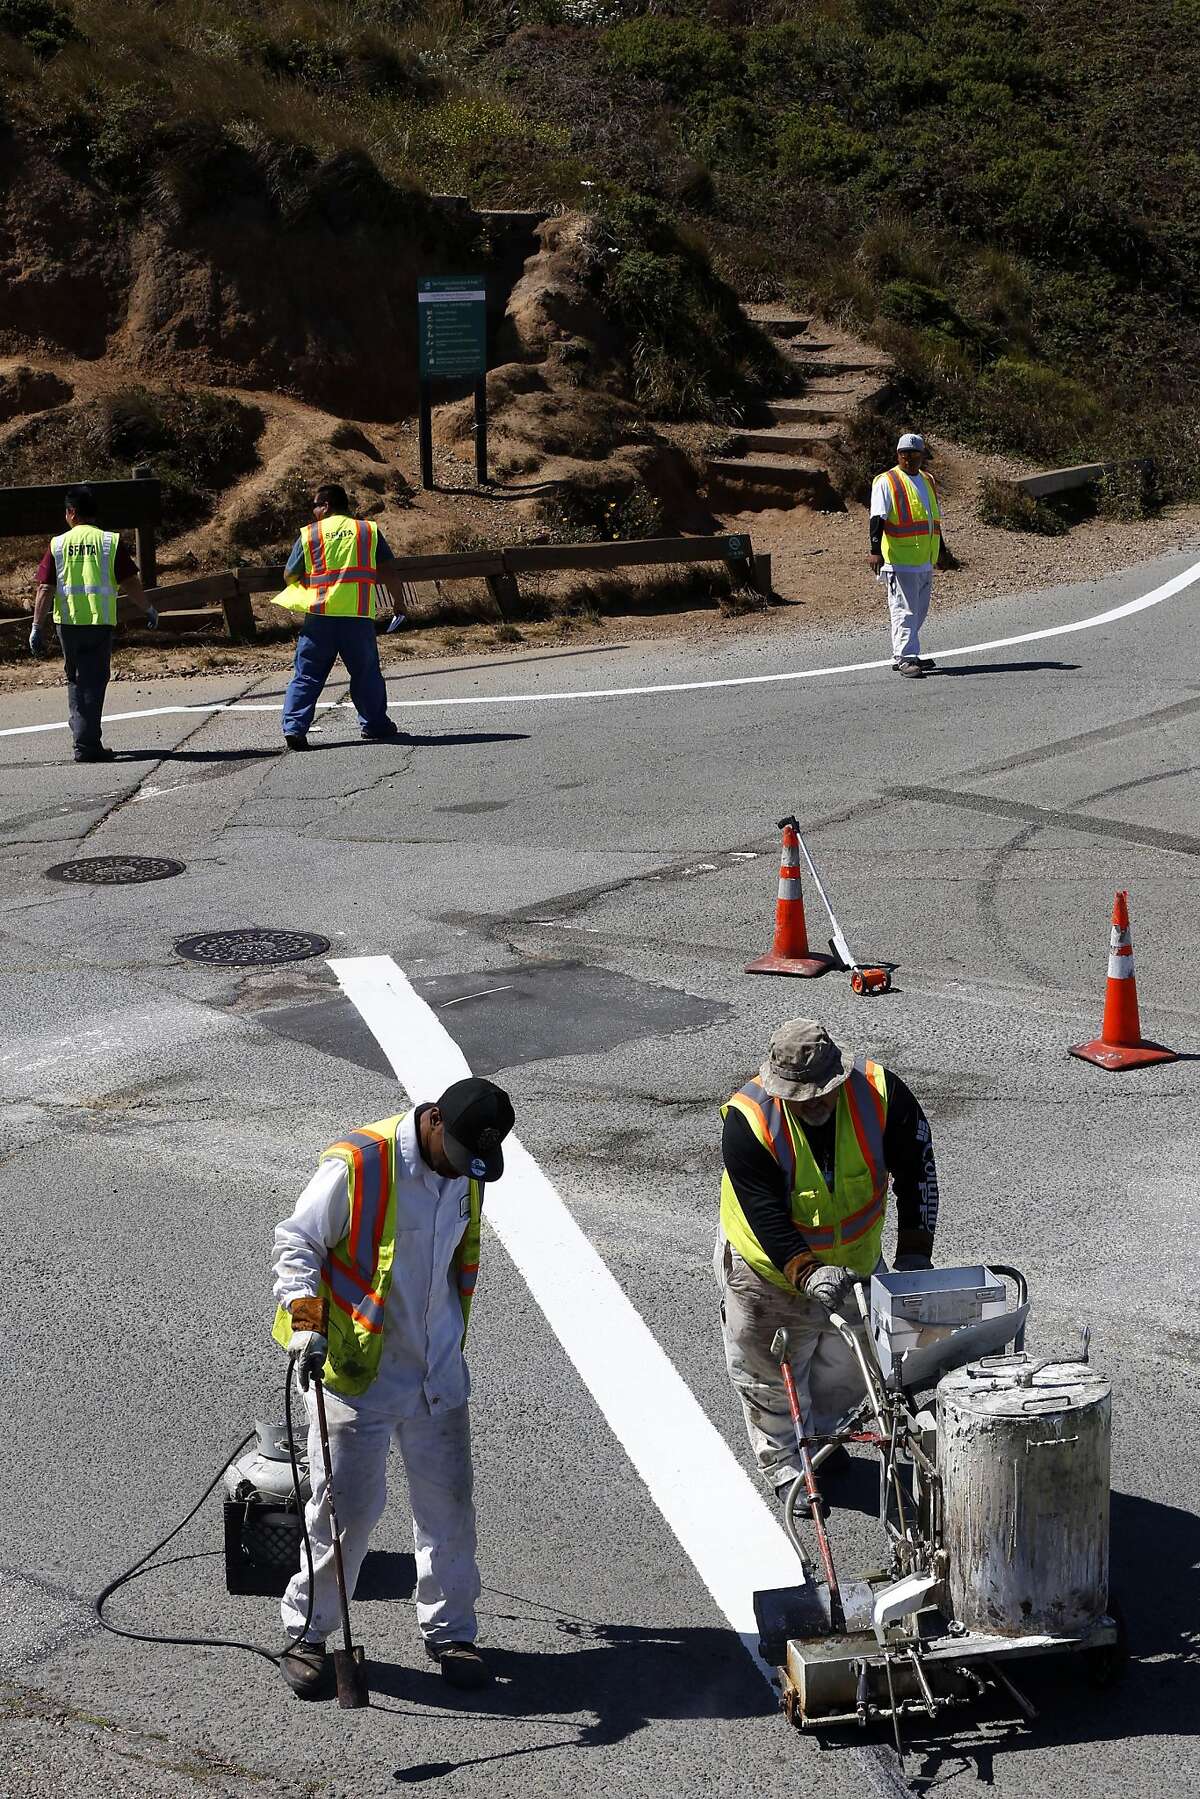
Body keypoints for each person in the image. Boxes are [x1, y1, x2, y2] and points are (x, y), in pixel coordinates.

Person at [271, 1076, 516, 1700]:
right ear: (432, 1119)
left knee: (450, 1508)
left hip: (436, 1371)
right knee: (345, 1511)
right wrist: (307, 1329)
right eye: (453, 1154)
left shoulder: (467, 1171)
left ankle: (452, 1632)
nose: (457, 1170)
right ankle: (308, 1631)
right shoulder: (359, 1164)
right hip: (360, 1372)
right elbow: (297, 1244)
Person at [714, 1018, 939, 1504]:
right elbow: (765, 1215)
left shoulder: (880, 1095)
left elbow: (918, 1166)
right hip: (768, 1277)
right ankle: (789, 1469)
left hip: (856, 1266)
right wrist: (806, 1271)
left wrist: (915, 1253)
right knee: (773, 1378)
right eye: (798, 1096)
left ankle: (819, 1436)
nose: (811, 1103)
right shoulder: (748, 1123)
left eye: (821, 1092)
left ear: (840, 1078)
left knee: (853, 1364)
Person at [277, 483, 409, 750]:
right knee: (366, 673)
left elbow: (289, 575)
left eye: (315, 505)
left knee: (307, 675)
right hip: (357, 616)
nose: (313, 511)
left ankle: (294, 729)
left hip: (320, 616)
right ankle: (375, 725)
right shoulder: (367, 531)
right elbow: (389, 573)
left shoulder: (311, 534)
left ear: (326, 505)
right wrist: (399, 604)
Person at [29, 484, 156, 762]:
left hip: (68, 623)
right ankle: (86, 744)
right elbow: (129, 582)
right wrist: (147, 608)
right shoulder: (109, 542)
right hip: (99, 622)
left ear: (72, 513)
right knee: (94, 682)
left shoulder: (58, 544)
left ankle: (81, 730)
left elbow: (44, 588)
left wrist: (37, 626)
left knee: (75, 679)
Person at [868, 432, 953, 679]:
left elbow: (932, 519)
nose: (910, 459)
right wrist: (875, 551)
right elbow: (877, 519)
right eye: (905, 454)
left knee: (920, 609)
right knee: (903, 609)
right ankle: (905, 657)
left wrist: (942, 551)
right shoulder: (888, 481)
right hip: (899, 559)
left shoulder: (927, 480)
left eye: (915, 454)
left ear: (922, 456)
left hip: (924, 558)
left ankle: (908, 652)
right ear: (898, 455)